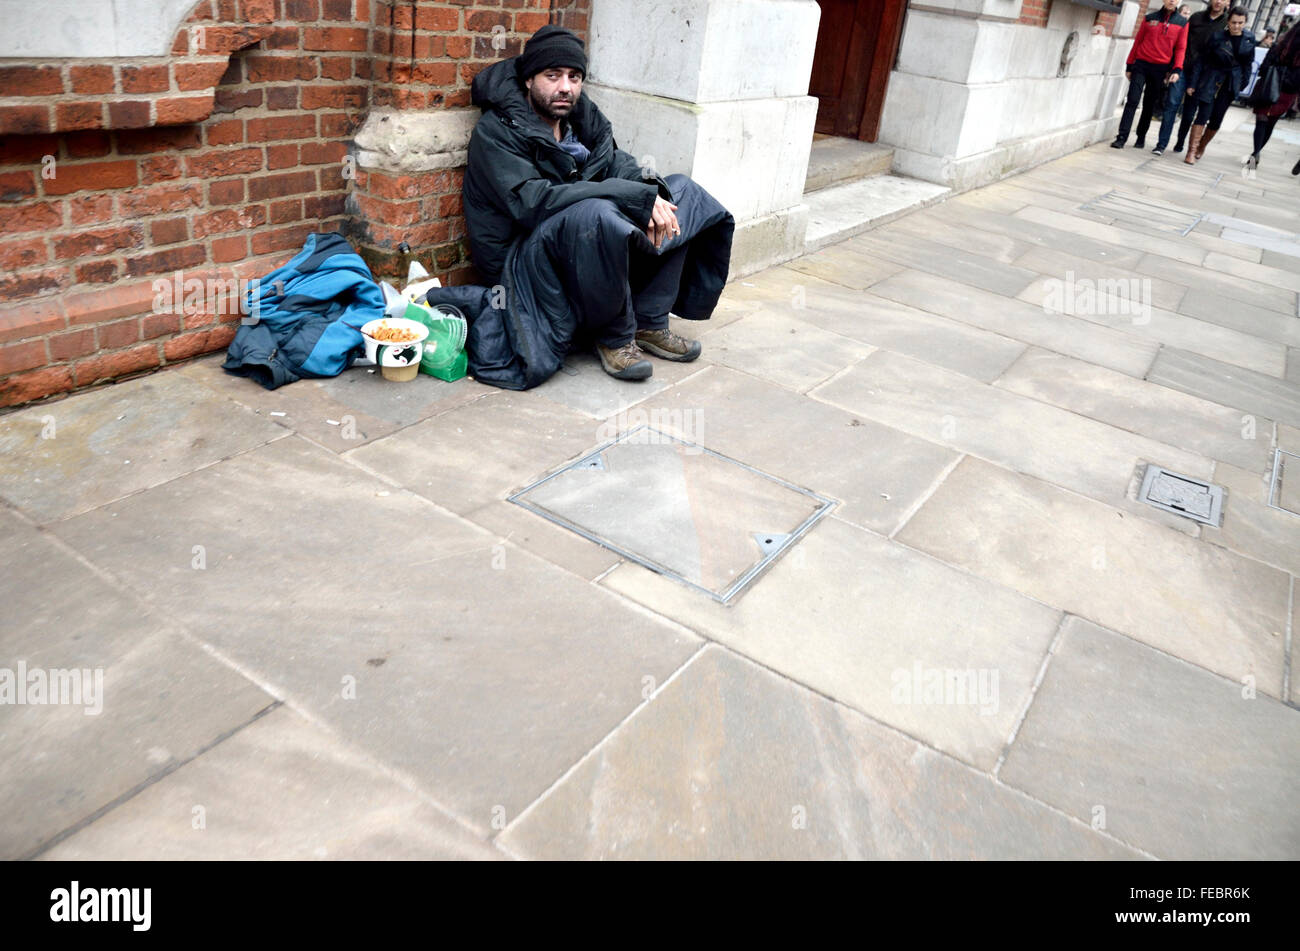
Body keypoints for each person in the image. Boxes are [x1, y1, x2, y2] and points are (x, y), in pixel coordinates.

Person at [461, 25, 734, 384]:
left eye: (574, 77)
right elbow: (534, 204)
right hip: (523, 260)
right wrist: (626, 196)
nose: (565, 87)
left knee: (677, 194)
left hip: (580, 242)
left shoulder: (581, 122)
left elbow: (617, 164)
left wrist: (646, 191)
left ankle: (648, 322)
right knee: (599, 212)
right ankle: (614, 338)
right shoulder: (496, 132)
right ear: (528, 80)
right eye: (552, 75)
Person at [1112, 0, 1188, 150]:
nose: (1172, 1)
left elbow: (1180, 48)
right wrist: (1129, 65)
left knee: (1148, 104)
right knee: (1132, 100)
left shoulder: (1182, 23)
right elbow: (1138, 42)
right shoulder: (1149, 18)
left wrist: (1177, 69)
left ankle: (1141, 137)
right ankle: (1121, 137)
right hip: (1141, 65)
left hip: (1160, 68)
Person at [1184, 7, 1255, 164]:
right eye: (1233, 22)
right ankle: (1191, 151)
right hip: (1211, 79)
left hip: (1230, 84)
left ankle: (1202, 146)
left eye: (1240, 23)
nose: (1236, 26)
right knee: (1202, 115)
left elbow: (1248, 65)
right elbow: (1201, 61)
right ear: (1228, 21)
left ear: (1245, 23)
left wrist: (1243, 83)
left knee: (1216, 119)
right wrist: (1194, 83)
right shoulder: (1217, 37)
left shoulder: (1249, 39)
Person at [1174, 0, 1230, 152]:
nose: (1218, 2)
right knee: (1183, 111)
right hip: (1188, 68)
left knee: (1198, 114)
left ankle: (1191, 147)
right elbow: (1183, 41)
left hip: (1207, 76)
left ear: (1227, 2)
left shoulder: (1227, 24)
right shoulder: (1196, 17)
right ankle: (1179, 141)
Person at [1245, 24, 1300, 168]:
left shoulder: (1280, 45)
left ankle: (1256, 152)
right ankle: (1254, 155)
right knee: (1271, 123)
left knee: (1261, 119)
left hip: (1269, 86)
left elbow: (1263, 68)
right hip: (1288, 92)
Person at [1153, 4, 1196, 153]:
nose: (1186, 16)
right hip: (1180, 68)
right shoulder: (1183, 24)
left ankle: (1180, 142)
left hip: (1198, 72)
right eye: (1184, 12)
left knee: (1189, 112)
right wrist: (1172, 69)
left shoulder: (1191, 24)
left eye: (1188, 14)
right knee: (1171, 104)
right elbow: (1174, 48)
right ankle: (1161, 144)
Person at [1239, 28, 1275, 100]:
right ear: (1265, 39)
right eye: (1270, 39)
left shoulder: (1269, 47)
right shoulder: (1262, 46)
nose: (1271, 41)